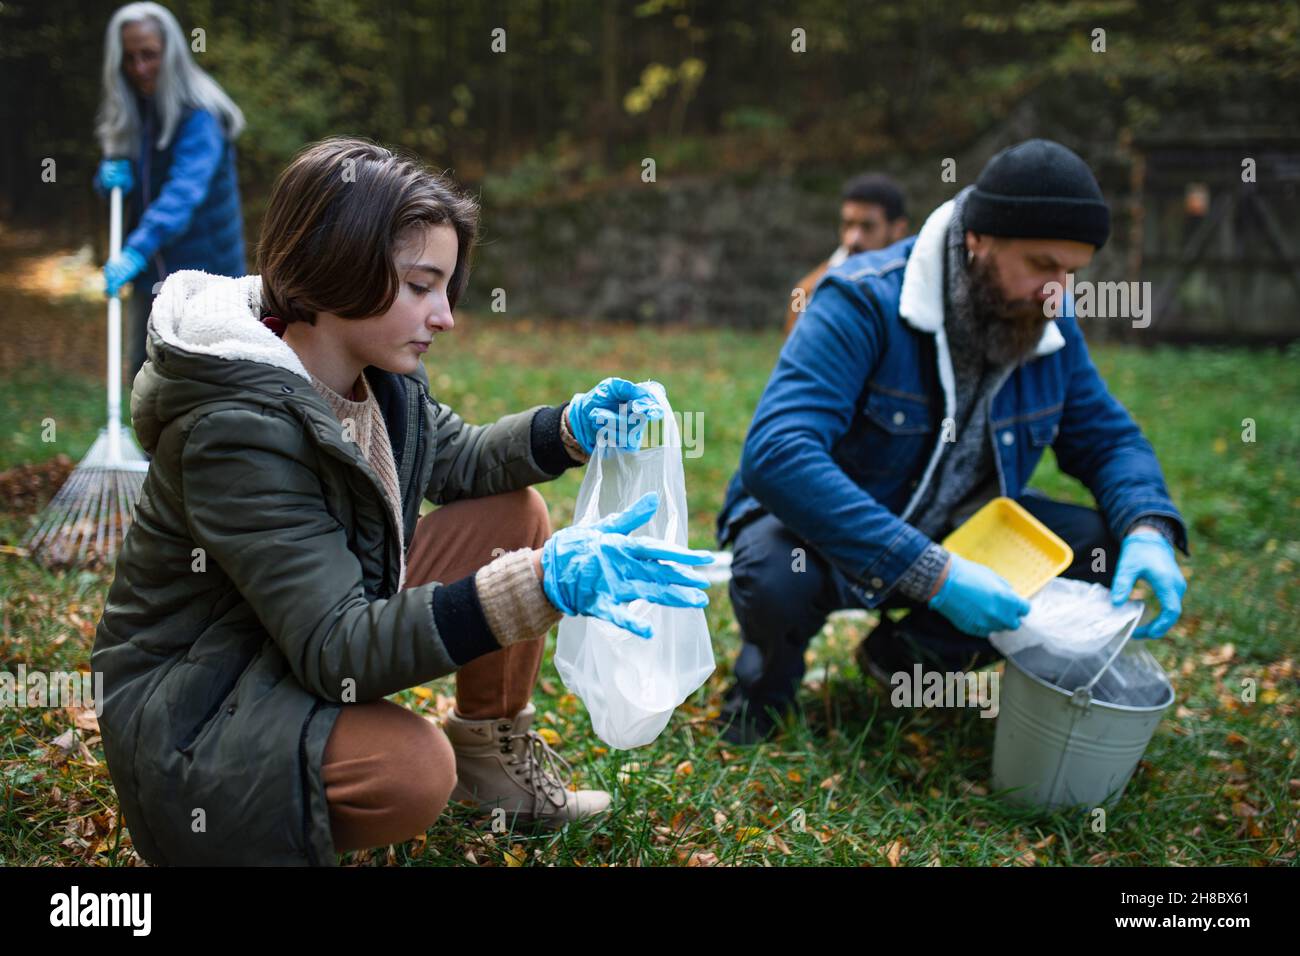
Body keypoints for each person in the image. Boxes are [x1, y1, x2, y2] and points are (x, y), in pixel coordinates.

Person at [91, 136, 713, 865]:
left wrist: (568, 429)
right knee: (411, 773)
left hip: (292, 635)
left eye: (446, 288)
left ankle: (492, 759)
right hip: (201, 699)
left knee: (513, 517)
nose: (445, 315)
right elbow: (337, 648)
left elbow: (460, 459)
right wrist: (534, 586)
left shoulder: (372, 369)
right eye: (422, 286)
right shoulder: (237, 430)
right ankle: (237, 828)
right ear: (336, 267)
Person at [715, 139, 1188, 744]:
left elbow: (1108, 439)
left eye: (1072, 272)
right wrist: (934, 575)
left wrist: (1147, 527)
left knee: (1098, 543)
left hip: (959, 526)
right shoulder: (863, 299)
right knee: (777, 572)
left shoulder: (1048, 319)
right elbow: (778, 451)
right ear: (979, 240)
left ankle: (906, 661)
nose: (1058, 291)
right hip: (832, 533)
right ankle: (763, 696)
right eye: (1043, 265)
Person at [93, 2, 247, 385]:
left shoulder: (200, 115)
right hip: (154, 279)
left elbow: (182, 194)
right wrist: (108, 181)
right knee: (145, 378)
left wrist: (135, 250)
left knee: (201, 384)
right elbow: (138, 189)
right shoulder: (137, 111)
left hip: (206, 279)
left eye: (149, 55)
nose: (140, 68)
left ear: (172, 52)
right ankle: (143, 447)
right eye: (129, 58)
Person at [783, 173, 909, 337]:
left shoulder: (918, 287)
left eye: (867, 227)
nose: (853, 239)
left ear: (898, 229)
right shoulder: (805, 292)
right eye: (848, 225)